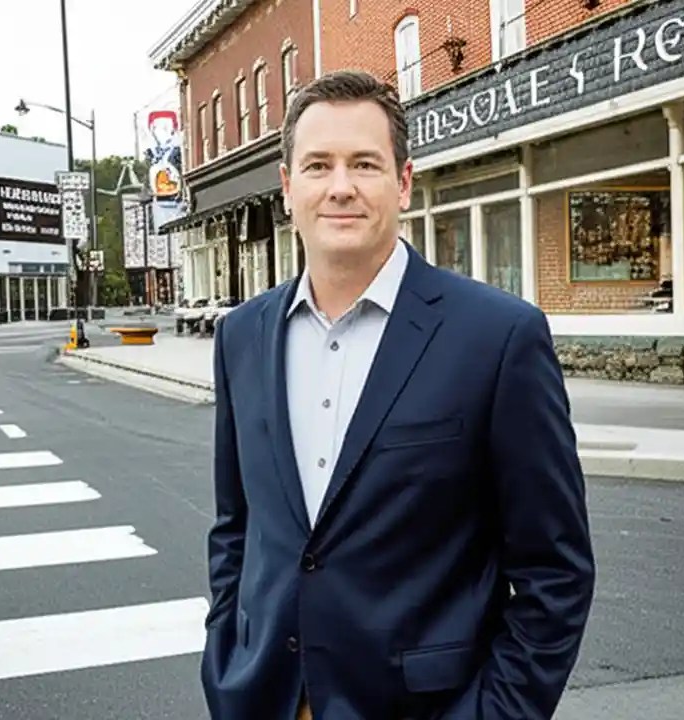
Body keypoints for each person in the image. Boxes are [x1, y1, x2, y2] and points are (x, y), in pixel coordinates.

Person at [200, 69, 596, 720]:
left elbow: (556, 571)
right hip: (263, 698)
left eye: (365, 164)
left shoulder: (497, 337)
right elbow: (236, 530)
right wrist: (226, 658)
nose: (341, 187)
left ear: (403, 182)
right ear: (287, 187)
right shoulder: (241, 336)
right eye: (319, 165)